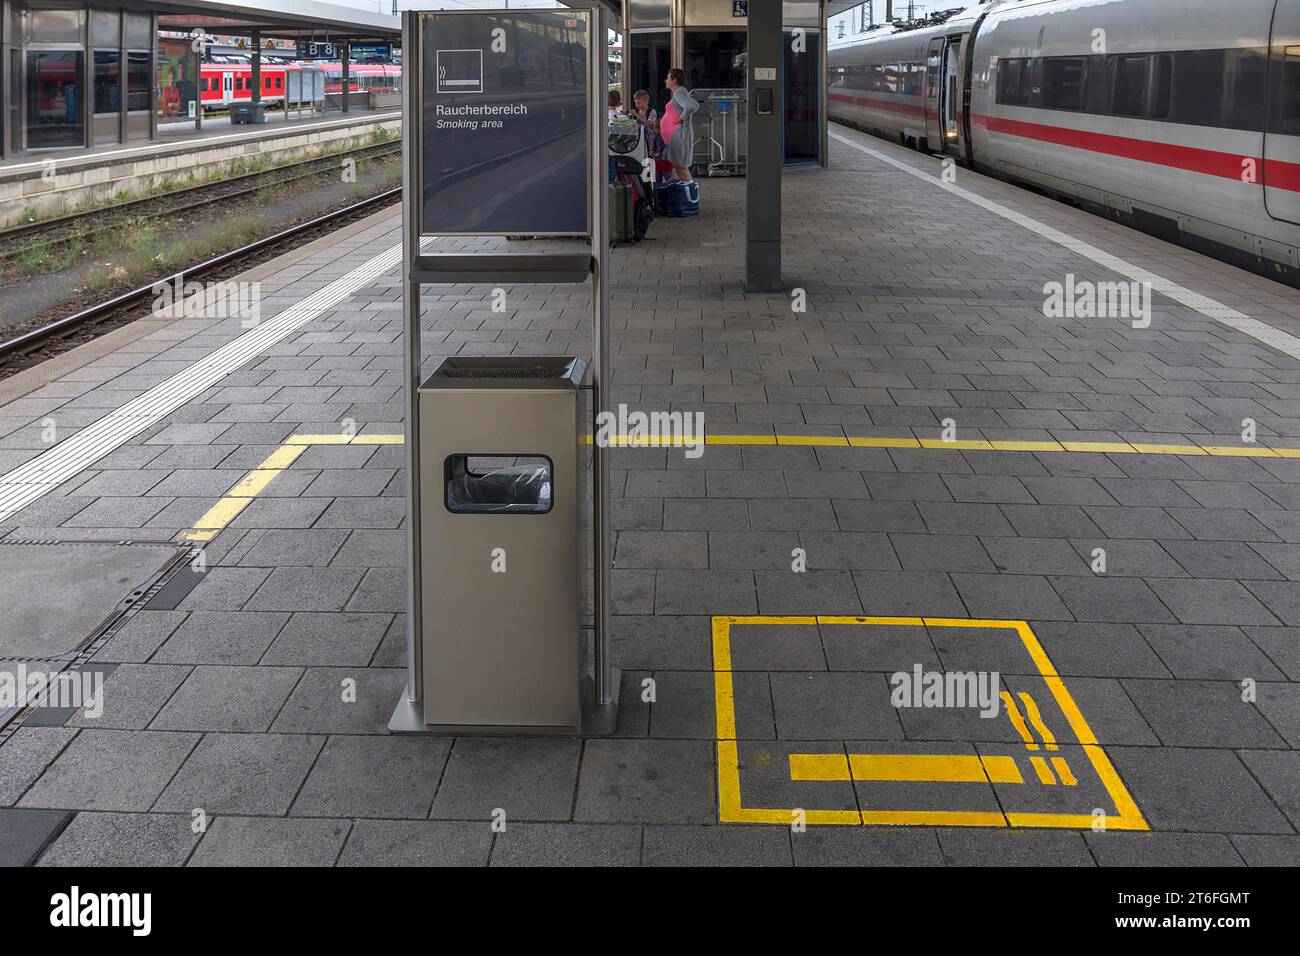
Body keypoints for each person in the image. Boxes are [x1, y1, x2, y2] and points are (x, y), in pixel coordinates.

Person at [659, 68, 699, 184]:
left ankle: (690, 193)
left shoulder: (679, 93)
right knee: (678, 166)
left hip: (678, 135)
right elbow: (695, 105)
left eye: (668, 77)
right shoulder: (680, 93)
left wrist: (682, 118)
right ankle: (687, 192)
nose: (665, 80)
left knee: (681, 166)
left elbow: (691, 106)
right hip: (675, 136)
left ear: (674, 80)